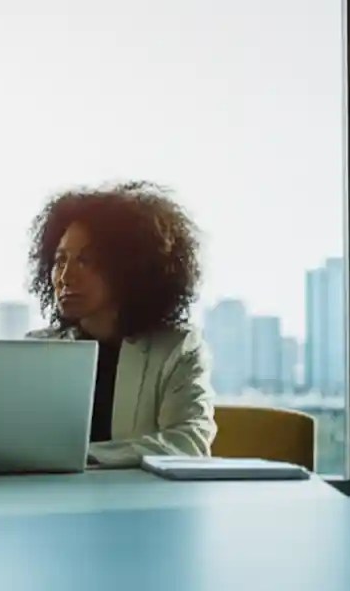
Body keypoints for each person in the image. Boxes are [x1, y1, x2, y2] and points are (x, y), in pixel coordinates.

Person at [26, 181, 217, 467]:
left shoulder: (177, 349)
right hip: (53, 503)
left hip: (142, 506)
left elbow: (189, 441)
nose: (65, 276)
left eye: (85, 261)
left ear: (129, 269)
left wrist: (86, 457)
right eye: (60, 260)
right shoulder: (38, 350)